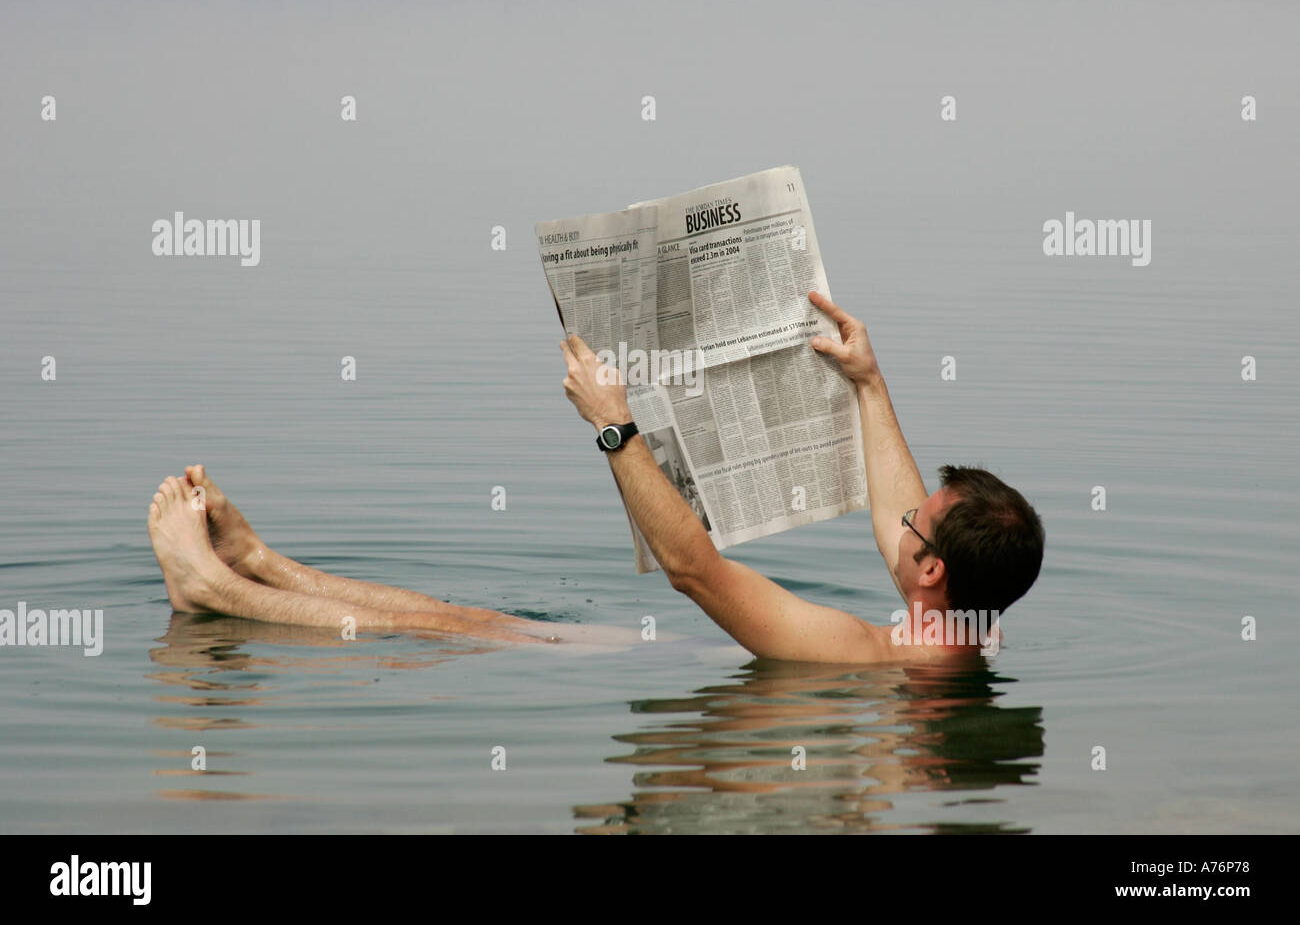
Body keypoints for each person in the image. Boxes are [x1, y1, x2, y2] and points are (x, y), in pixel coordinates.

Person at [149, 291, 1043, 662]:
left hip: (697, 678)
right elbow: (906, 519)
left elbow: (697, 570)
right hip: (717, 672)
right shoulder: (977, 632)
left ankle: (215, 593)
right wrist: (868, 380)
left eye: (915, 526)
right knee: (479, 621)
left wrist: (615, 424)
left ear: (931, 571)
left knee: (474, 634)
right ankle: (261, 563)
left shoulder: (867, 657)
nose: (899, 518)